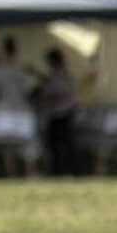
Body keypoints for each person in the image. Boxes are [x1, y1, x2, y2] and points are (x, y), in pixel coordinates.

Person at [0, 34, 39, 176]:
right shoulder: (22, 69)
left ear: (3, 51)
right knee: (27, 142)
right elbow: (30, 89)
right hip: (22, 110)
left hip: (3, 111)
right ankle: (29, 172)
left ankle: (11, 173)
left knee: (7, 145)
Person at [34, 47, 78, 175]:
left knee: (65, 144)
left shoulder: (63, 73)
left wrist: (42, 92)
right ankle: (57, 170)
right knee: (54, 144)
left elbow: (59, 91)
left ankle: (69, 170)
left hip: (63, 112)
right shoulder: (54, 73)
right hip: (55, 113)